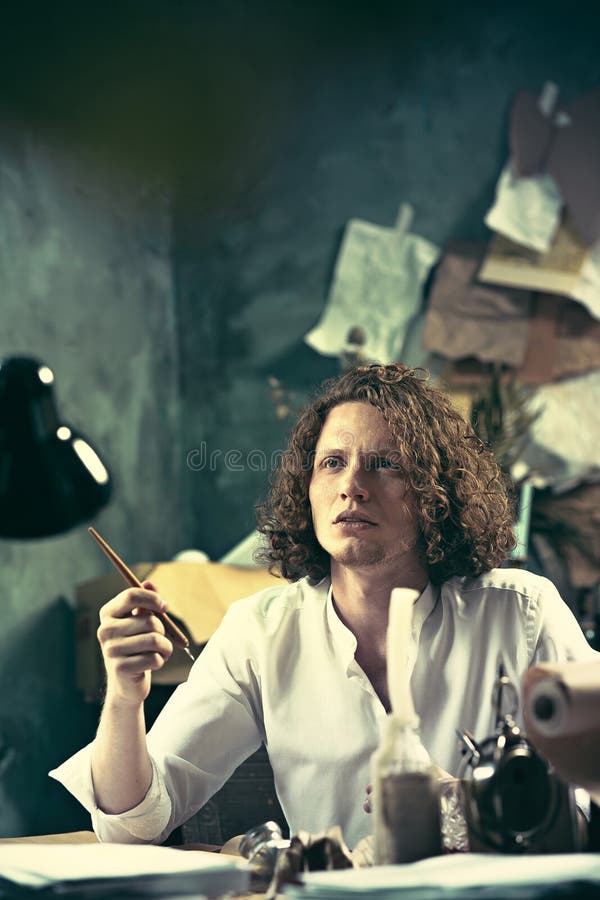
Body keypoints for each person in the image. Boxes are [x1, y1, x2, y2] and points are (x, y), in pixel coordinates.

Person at [51, 364, 598, 849]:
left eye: (386, 464)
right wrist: (124, 696)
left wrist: (470, 809)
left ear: (436, 493)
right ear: (306, 489)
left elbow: (589, 804)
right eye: (332, 463)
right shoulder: (261, 631)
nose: (352, 487)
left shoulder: (521, 612)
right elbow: (132, 822)